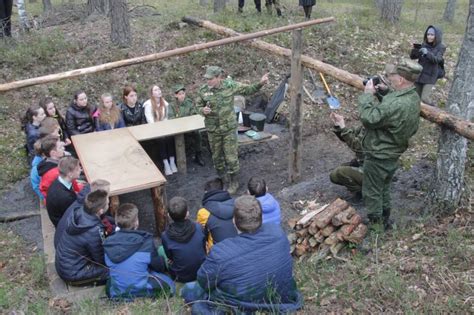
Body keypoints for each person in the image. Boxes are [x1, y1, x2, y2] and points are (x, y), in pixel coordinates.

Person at [181, 195, 303, 314]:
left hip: (242, 305)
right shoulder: (277, 232)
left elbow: (204, 281)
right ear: (260, 217)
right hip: (281, 299)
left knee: (190, 294)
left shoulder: (220, 252)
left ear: (234, 220)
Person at [358, 58, 422, 230]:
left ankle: (376, 228)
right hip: (393, 153)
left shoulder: (395, 103)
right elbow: (393, 110)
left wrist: (367, 96)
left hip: (379, 154)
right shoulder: (413, 96)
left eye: (392, 75)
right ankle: (386, 219)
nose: (389, 77)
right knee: (384, 188)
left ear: (401, 79)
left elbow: (369, 118)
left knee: (372, 192)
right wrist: (384, 93)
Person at [196, 66, 268, 194]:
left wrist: (260, 83)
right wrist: (202, 110)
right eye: (206, 79)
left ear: (219, 77)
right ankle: (224, 179)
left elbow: (248, 89)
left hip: (228, 129)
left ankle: (234, 182)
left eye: (211, 79)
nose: (208, 81)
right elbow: (198, 105)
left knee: (231, 157)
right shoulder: (203, 90)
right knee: (217, 158)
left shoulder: (230, 85)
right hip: (213, 130)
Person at [104, 203, 175, 299]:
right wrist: (162, 261)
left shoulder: (108, 243)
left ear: (116, 222)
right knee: (170, 286)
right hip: (141, 289)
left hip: (117, 292)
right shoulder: (146, 241)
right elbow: (158, 267)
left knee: (110, 281)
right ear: (136, 222)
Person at [55, 189, 110, 286]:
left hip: (65, 264)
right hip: (73, 273)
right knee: (114, 270)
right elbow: (101, 260)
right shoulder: (94, 231)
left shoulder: (79, 212)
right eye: (108, 203)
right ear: (101, 211)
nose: (108, 204)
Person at [161, 197, 206, 283]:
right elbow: (203, 247)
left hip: (180, 276)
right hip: (202, 270)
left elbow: (170, 257)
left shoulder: (165, 236)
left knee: (160, 250)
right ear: (187, 213)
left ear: (169, 216)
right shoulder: (198, 227)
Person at [54, 179, 111, 248]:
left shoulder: (83, 205)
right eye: (107, 194)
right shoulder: (94, 228)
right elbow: (99, 250)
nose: (108, 197)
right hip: (69, 252)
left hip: (62, 243)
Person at [143, 84, 178, 176]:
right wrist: (159, 129)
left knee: (170, 138)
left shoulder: (164, 103)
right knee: (162, 140)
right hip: (154, 129)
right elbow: (150, 120)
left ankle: (172, 161)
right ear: (152, 93)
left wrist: (165, 128)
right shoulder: (148, 105)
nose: (159, 91)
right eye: (156, 90)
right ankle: (166, 164)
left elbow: (167, 117)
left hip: (165, 127)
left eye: (159, 89)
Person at [328, 112, 365, 197]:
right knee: (335, 175)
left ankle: (362, 193)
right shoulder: (366, 127)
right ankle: (363, 187)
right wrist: (338, 125)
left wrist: (343, 127)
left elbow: (358, 147)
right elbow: (349, 135)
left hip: (374, 170)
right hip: (365, 163)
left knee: (341, 172)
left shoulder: (377, 130)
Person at [196, 177, 237, 252]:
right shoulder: (236, 203)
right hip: (239, 245)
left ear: (206, 192)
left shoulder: (203, 212)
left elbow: (201, 233)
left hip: (218, 252)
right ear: (223, 189)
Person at [409, 25, 446, 106]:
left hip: (431, 76)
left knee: (424, 99)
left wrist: (427, 53)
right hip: (420, 74)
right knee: (415, 97)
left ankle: (435, 111)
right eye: (428, 34)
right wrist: (415, 51)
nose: (429, 37)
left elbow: (437, 60)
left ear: (437, 36)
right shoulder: (424, 44)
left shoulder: (441, 47)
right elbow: (412, 57)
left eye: (432, 35)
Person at [170, 84, 204, 166]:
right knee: (175, 138)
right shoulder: (172, 105)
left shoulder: (189, 102)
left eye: (183, 93)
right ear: (175, 95)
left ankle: (198, 155)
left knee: (197, 133)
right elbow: (171, 118)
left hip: (189, 126)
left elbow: (194, 113)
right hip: (178, 128)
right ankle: (177, 159)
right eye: (180, 94)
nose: (182, 96)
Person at [46, 157, 82, 227]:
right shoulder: (65, 197)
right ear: (70, 174)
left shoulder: (59, 181)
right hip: (65, 226)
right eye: (77, 169)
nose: (80, 170)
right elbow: (75, 214)